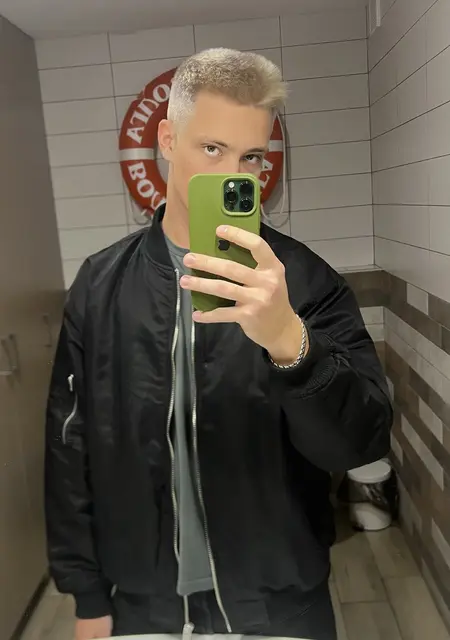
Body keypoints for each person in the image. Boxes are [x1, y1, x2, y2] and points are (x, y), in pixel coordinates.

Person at [45, 48, 392, 640]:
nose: (235, 174)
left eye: (250, 156)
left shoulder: (305, 281)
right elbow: (69, 446)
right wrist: (87, 595)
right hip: (144, 605)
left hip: (279, 606)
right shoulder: (100, 286)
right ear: (167, 139)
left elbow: (359, 445)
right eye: (212, 148)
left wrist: (289, 342)